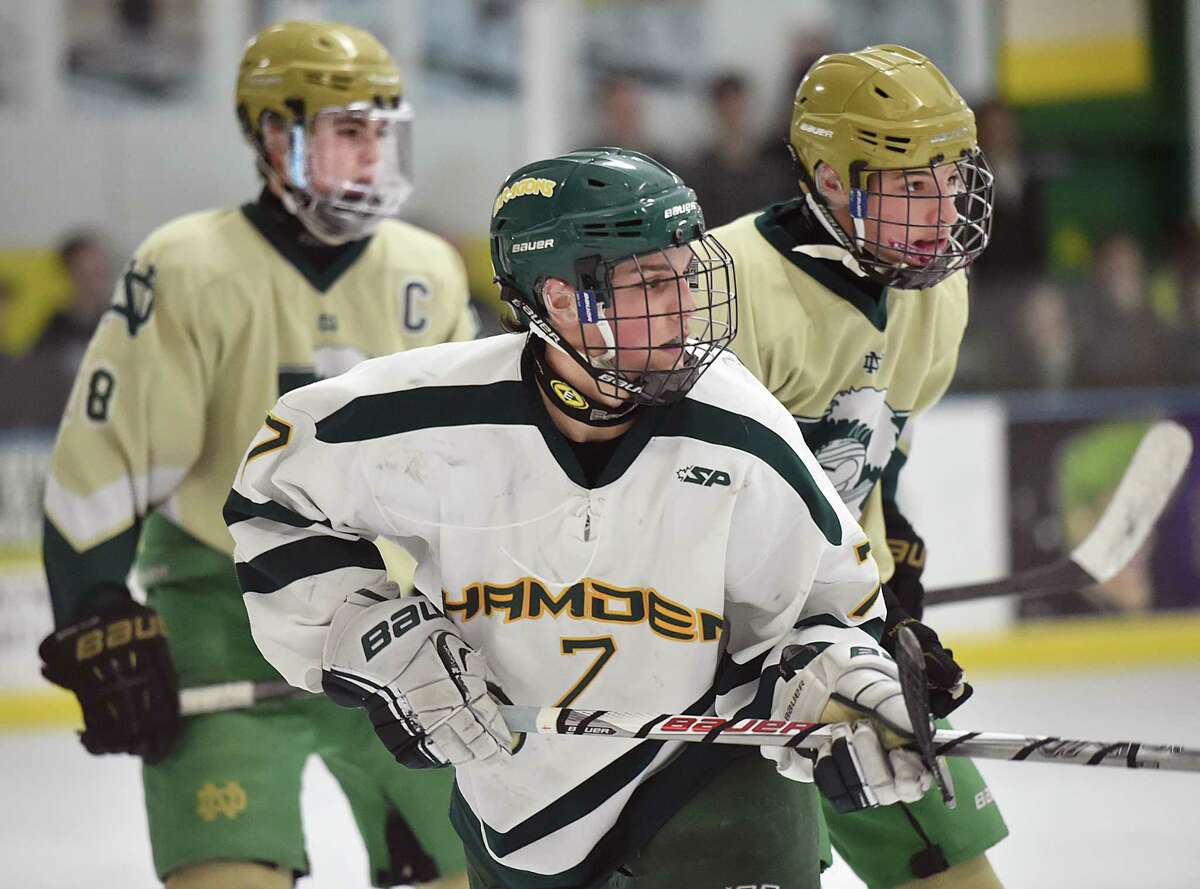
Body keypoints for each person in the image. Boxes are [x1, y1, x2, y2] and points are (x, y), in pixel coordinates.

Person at [224, 147, 937, 889]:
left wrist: (844, 686)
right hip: (514, 803)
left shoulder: (741, 428)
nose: (684, 304)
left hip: (704, 768)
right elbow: (276, 498)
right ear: (561, 299)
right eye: (651, 281)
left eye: (687, 273)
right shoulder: (431, 416)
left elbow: (826, 607)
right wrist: (370, 638)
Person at [36, 20, 477, 889]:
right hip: (219, 613)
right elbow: (105, 464)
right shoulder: (187, 266)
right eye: (349, 131)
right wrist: (91, 605)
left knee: (472, 873)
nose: (372, 157)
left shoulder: (428, 268)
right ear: (275, 134)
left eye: (382, 132)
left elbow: (470, 471)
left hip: (394, 623)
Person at [708, 45, 1009, 889]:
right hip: (713, 664)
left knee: (951, 869)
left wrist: (898, 593)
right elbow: (669, 506)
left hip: (847, 637)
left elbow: (881, 466)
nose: (944, 209)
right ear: (835, 180)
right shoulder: (724, 286)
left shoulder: (938, 290)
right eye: (914, 185)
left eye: (952, 177)